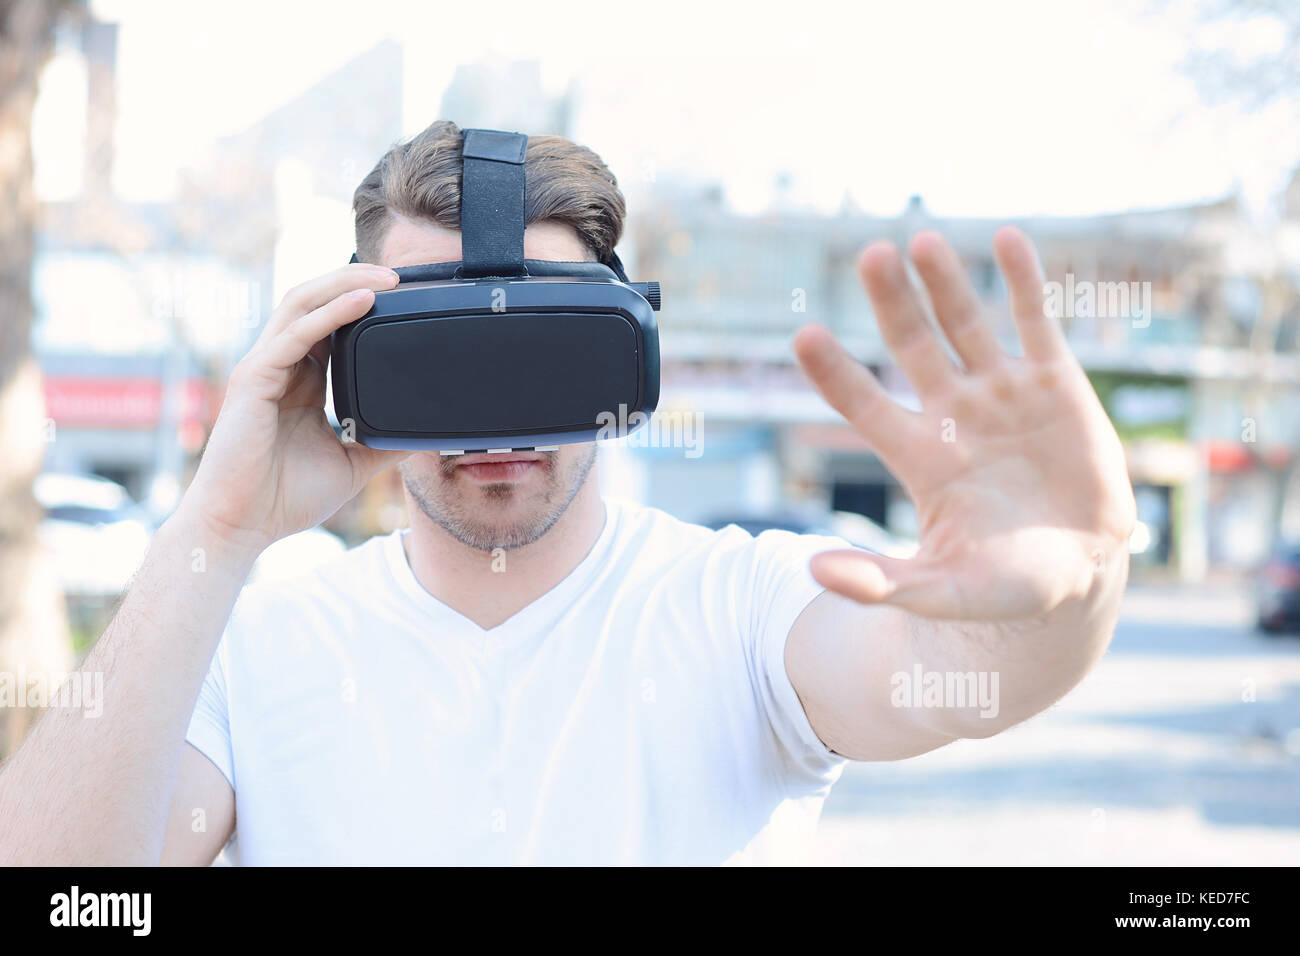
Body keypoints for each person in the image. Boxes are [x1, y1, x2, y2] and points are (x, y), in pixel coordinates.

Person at [0, 120, 1134, 865]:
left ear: (618, 356)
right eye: (439, 358)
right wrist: (216, 524)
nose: (497, 422)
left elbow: (947, 681)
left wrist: (1068, 587)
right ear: (345, 363)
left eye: (543, 353)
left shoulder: (740, 606)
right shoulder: (256, 641)